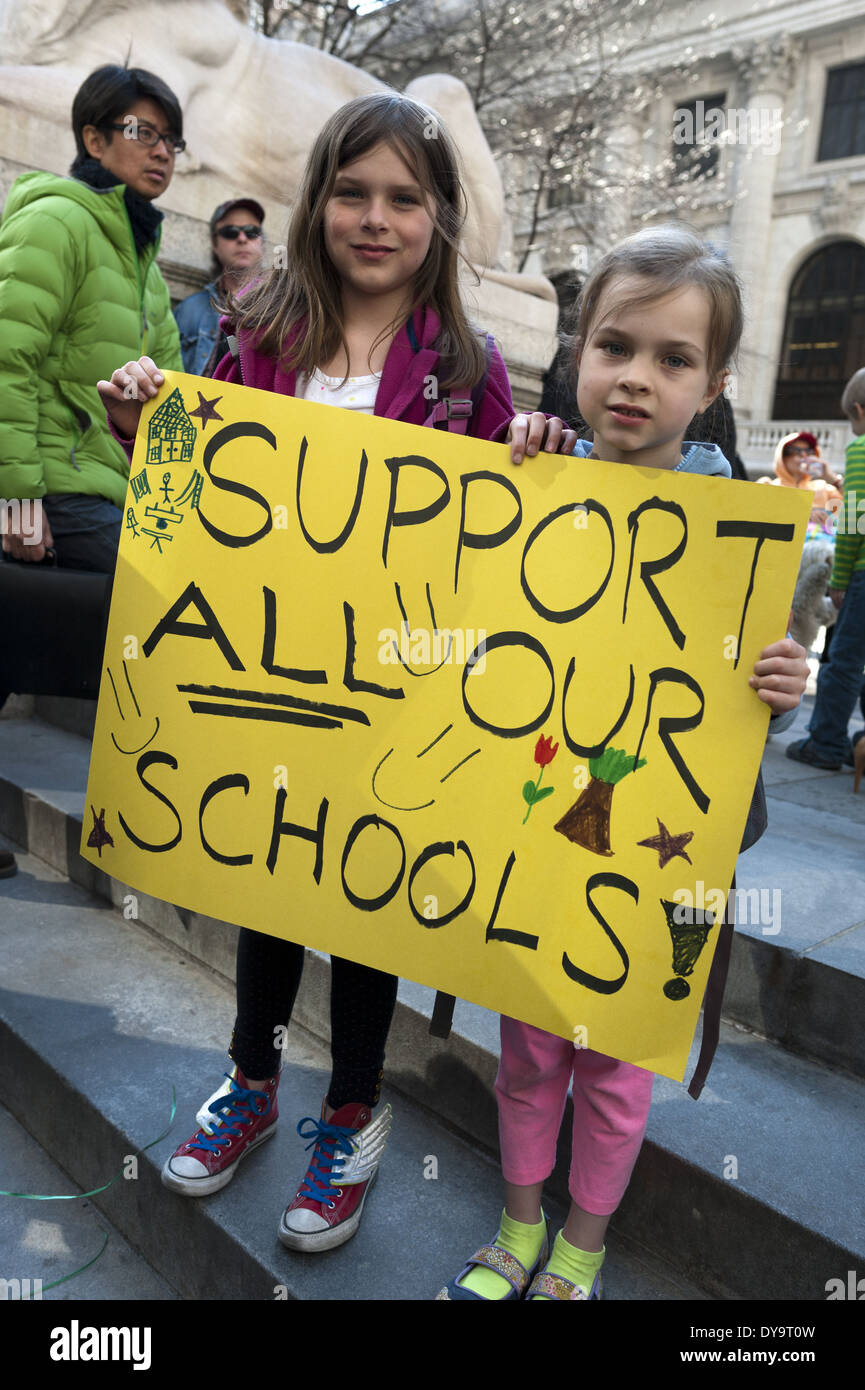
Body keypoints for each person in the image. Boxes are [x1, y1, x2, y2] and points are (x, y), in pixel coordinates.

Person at [97, 92, 576, 1255]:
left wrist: (538, 458)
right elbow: (206, 497)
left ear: (439, 217)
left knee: (364, 904)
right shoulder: (258, 337)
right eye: (353, 193)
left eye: (404, 198)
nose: (375, 218)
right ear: (319, 206)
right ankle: (250, 1082)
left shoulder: (470, 366)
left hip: (399, 695)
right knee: (270, 885)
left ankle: (352, 1113)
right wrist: (145, 425)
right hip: (268, 682)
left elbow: (512, 539)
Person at [437, 225, 808, 1301]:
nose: (635, 378)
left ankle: (582, 1243)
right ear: (573, 355)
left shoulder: (742, 531)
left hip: (666, 851)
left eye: (672, 359)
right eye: (613, 346)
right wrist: (521, 468)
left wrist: (779, 687)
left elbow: (739, 710)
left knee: (616, 1062)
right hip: (538, 833)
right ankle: (513, 1230)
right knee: (528, 1050)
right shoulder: (535, 474)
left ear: (713, 385)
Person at [0, 64, 183, 573]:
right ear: (94, 140)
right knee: (170, 594)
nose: (162, 151)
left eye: (171, 139)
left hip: (119, 497)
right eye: (143, 132)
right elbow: (6, 361)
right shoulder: (56, 220)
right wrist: (15, 500)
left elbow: (170, 402)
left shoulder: (148, 268)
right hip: (56, 488)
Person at [786, 368, 865, 772]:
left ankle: (827, 742)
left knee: (843, 660)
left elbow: (853, 518)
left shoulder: (861, 448)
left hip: (862, 572)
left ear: (857, 410)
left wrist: (839, 579)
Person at [173, 198, 265, 375]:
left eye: (252, 232)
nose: (242, 238)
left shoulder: (282, 309)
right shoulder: (189, 310)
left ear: (261, 242)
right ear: (215, 245)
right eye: (230, 232)